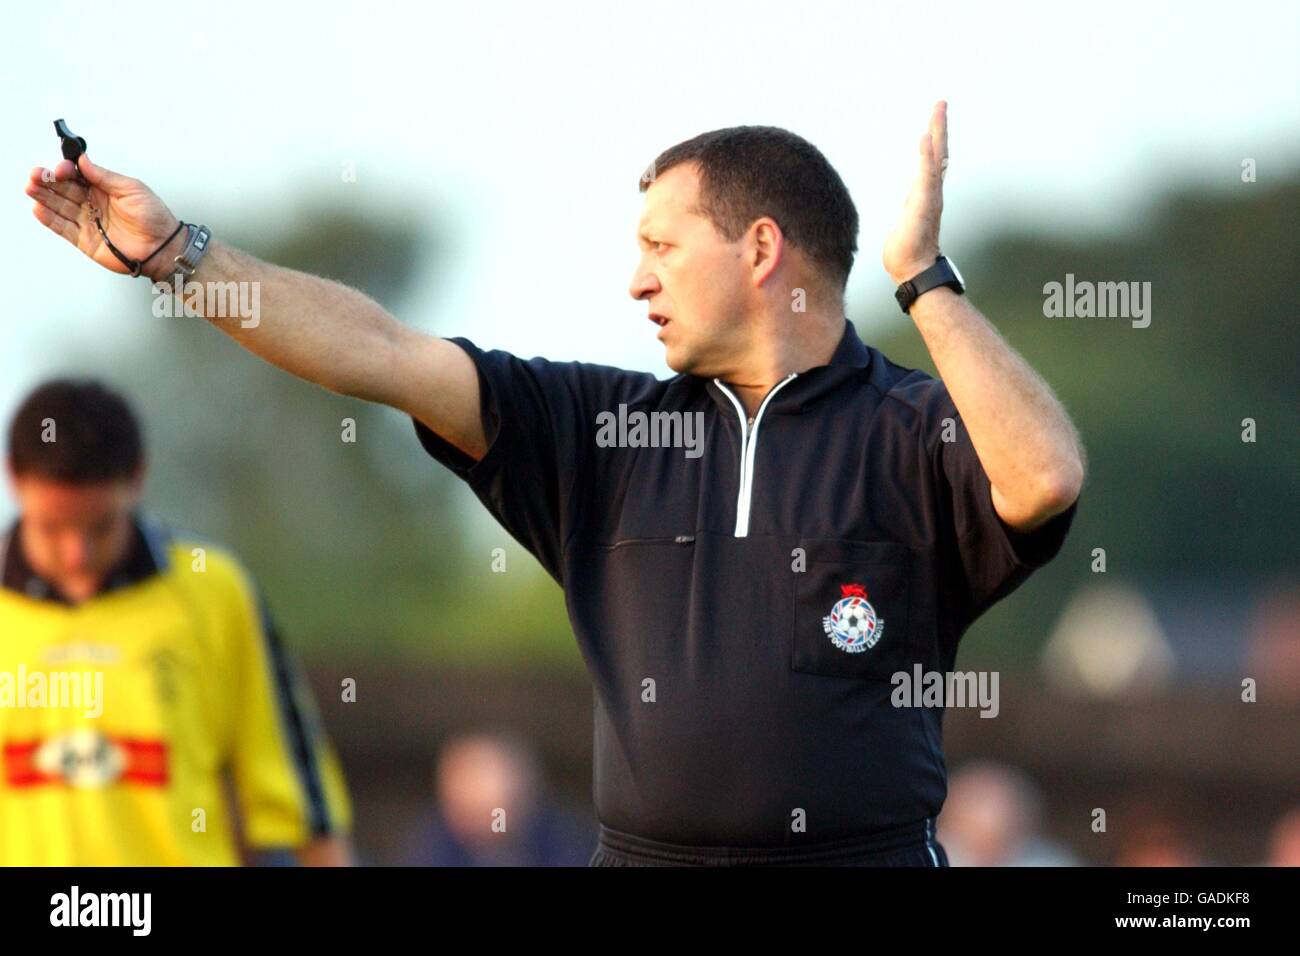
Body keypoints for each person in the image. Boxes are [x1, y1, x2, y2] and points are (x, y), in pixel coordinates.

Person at [24, 102, 1084, 865]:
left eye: (662, 245)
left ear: (761, 249)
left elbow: (1042, 476)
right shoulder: (601, 431)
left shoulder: (912, 428)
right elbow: (379, 349)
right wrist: (176, 254)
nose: (636, 279)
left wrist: (922, 278)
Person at [0, 380, 353, 865]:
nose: (76, 556)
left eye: (99, 527)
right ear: (12, 479)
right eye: (52, 527)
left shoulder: (214, 590)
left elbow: (303, 802)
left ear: (139, 477)